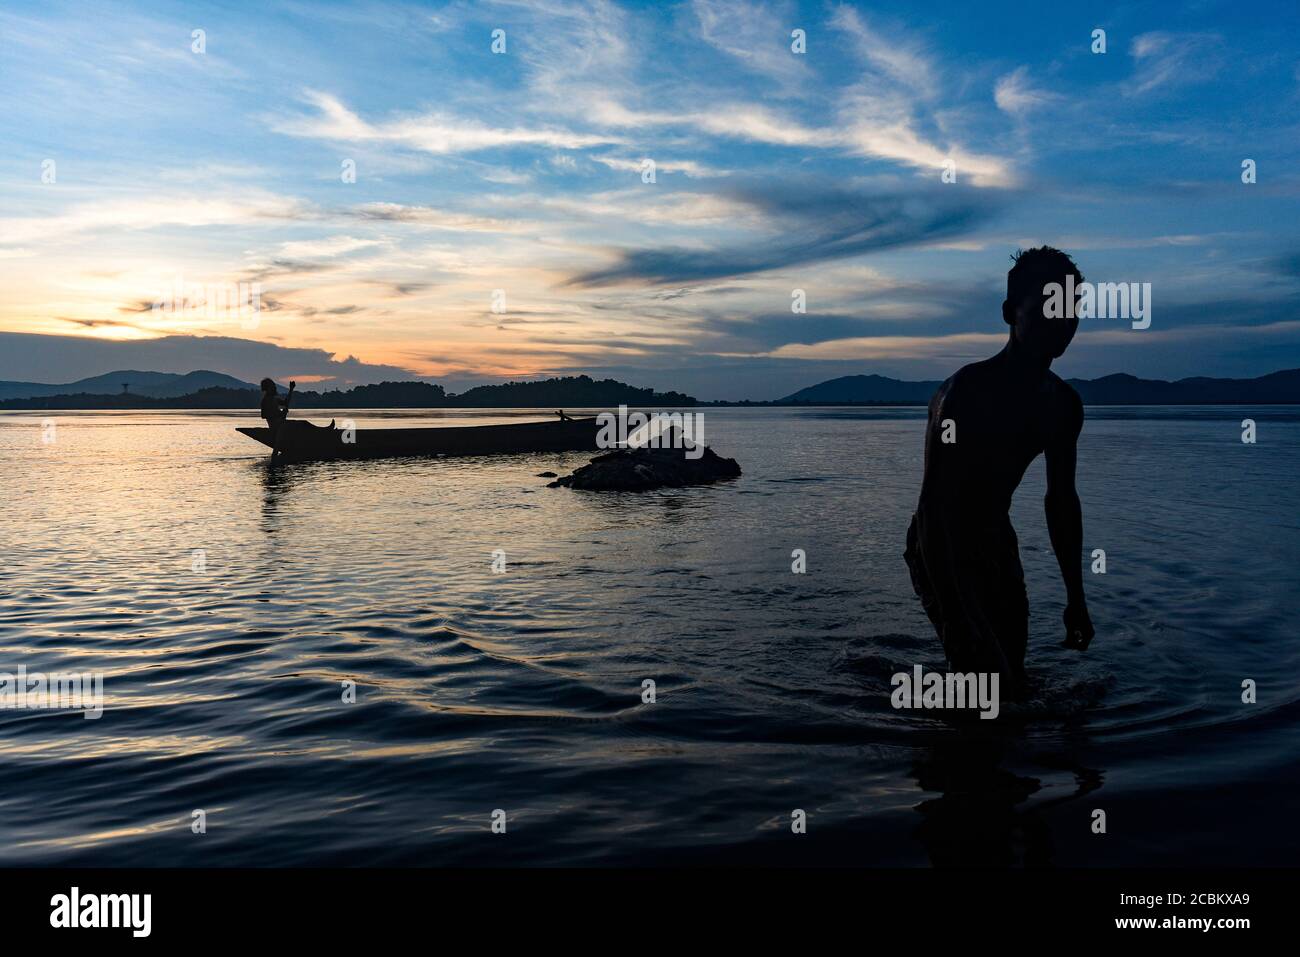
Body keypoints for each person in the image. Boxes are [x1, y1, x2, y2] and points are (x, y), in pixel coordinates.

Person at [904, 247, 1095, 701]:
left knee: (1013, 683)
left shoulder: (1062, 405)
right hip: (940, 541)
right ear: (1011, 312)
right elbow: (933, 508)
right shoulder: (963, 395)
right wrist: (954, 610)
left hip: (995, 541)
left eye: (1070, 309)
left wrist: (1077, 597)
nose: (1061, 320)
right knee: (983, 680)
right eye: (1048, 307)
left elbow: (1061, 501)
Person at [259, 378, 295, 459]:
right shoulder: (265, 401)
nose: (275, 388)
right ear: (268, 388)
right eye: (273, 386)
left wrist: (291, 390)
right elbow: (265, 415)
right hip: (277, 428)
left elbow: (285, 403)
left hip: (281, 425)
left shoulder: (274, 399)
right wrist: (282, 413)